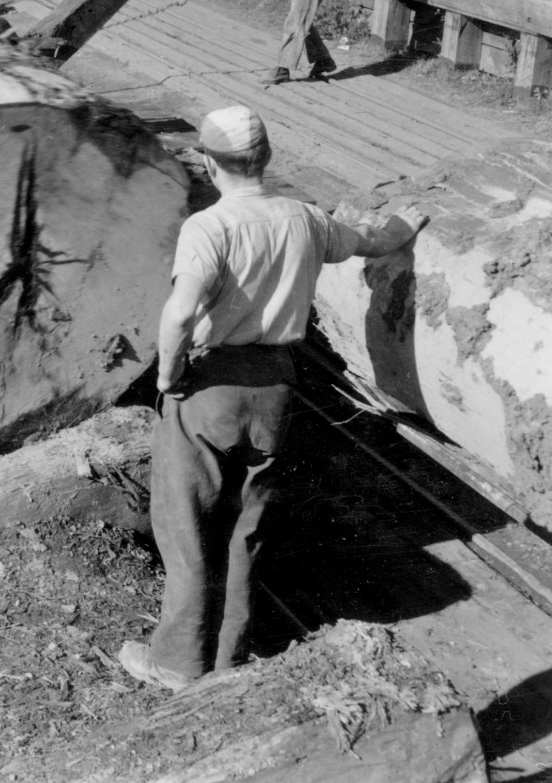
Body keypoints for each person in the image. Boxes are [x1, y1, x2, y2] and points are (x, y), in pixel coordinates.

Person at [119, 106, 428, 693]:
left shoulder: (210, 227)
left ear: (210, 163)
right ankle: (231, 658)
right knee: (247, 524)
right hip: (277, 386)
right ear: (267, 158)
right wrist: (403, 229)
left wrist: (168, 375)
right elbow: (369, 241)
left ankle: (178, 663)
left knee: (186, 523)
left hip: (212, 385)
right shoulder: (305, 219)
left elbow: (181, 311)